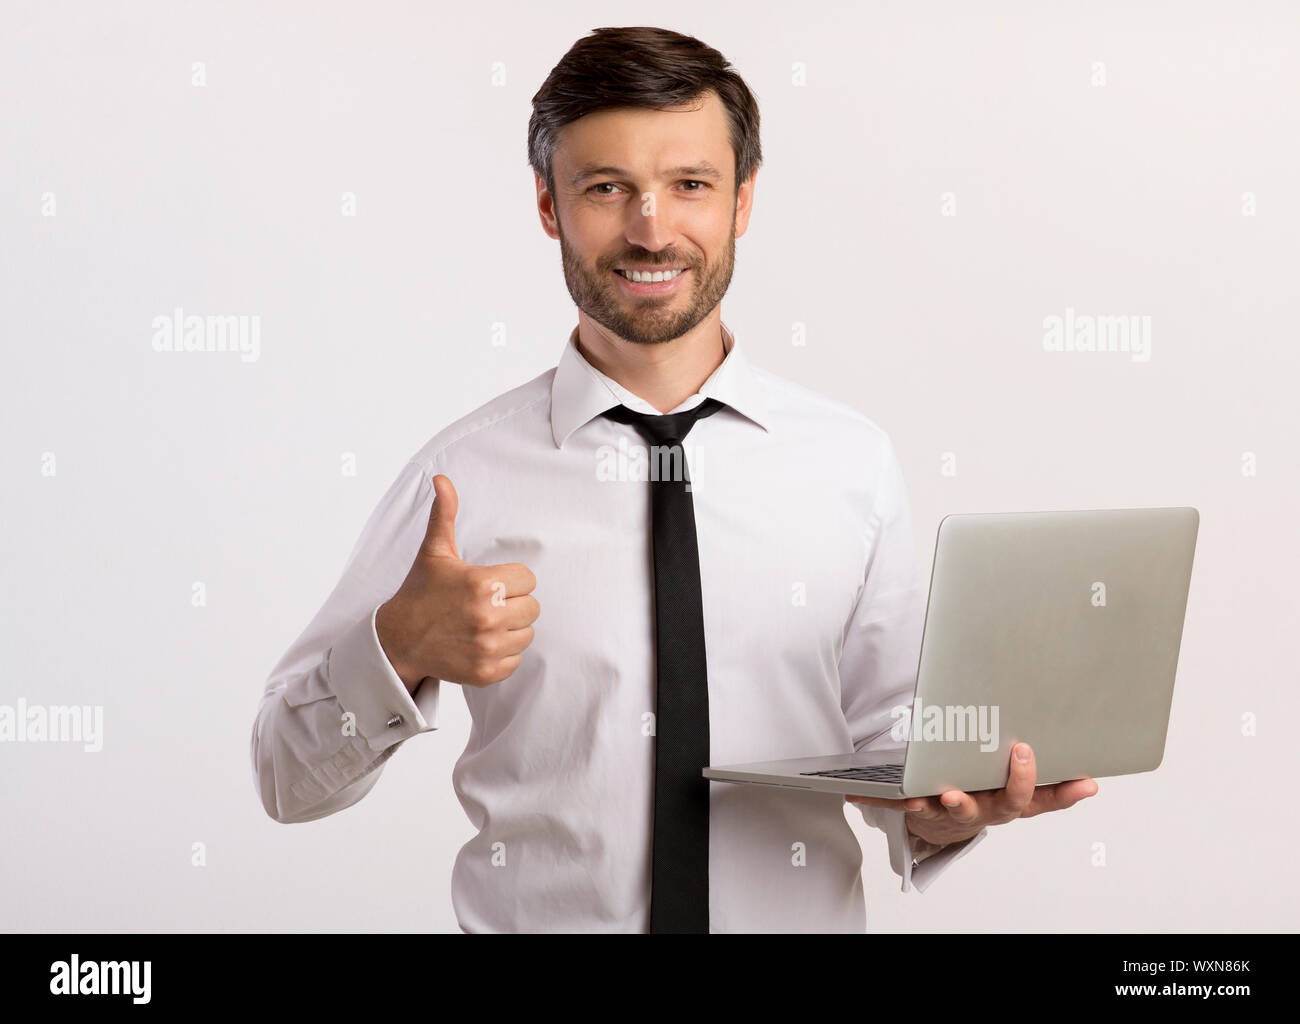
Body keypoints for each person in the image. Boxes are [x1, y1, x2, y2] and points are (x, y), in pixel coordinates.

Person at [250, 26, 1097, 933]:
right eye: (606, 188)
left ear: (742, 201)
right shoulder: (460, 477)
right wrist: (398, 647)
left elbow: (889, 743)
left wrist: (943, 805)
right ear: (548, 206)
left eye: (690, 184)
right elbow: (285, 778)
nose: (651, 228)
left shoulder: (849, 462)